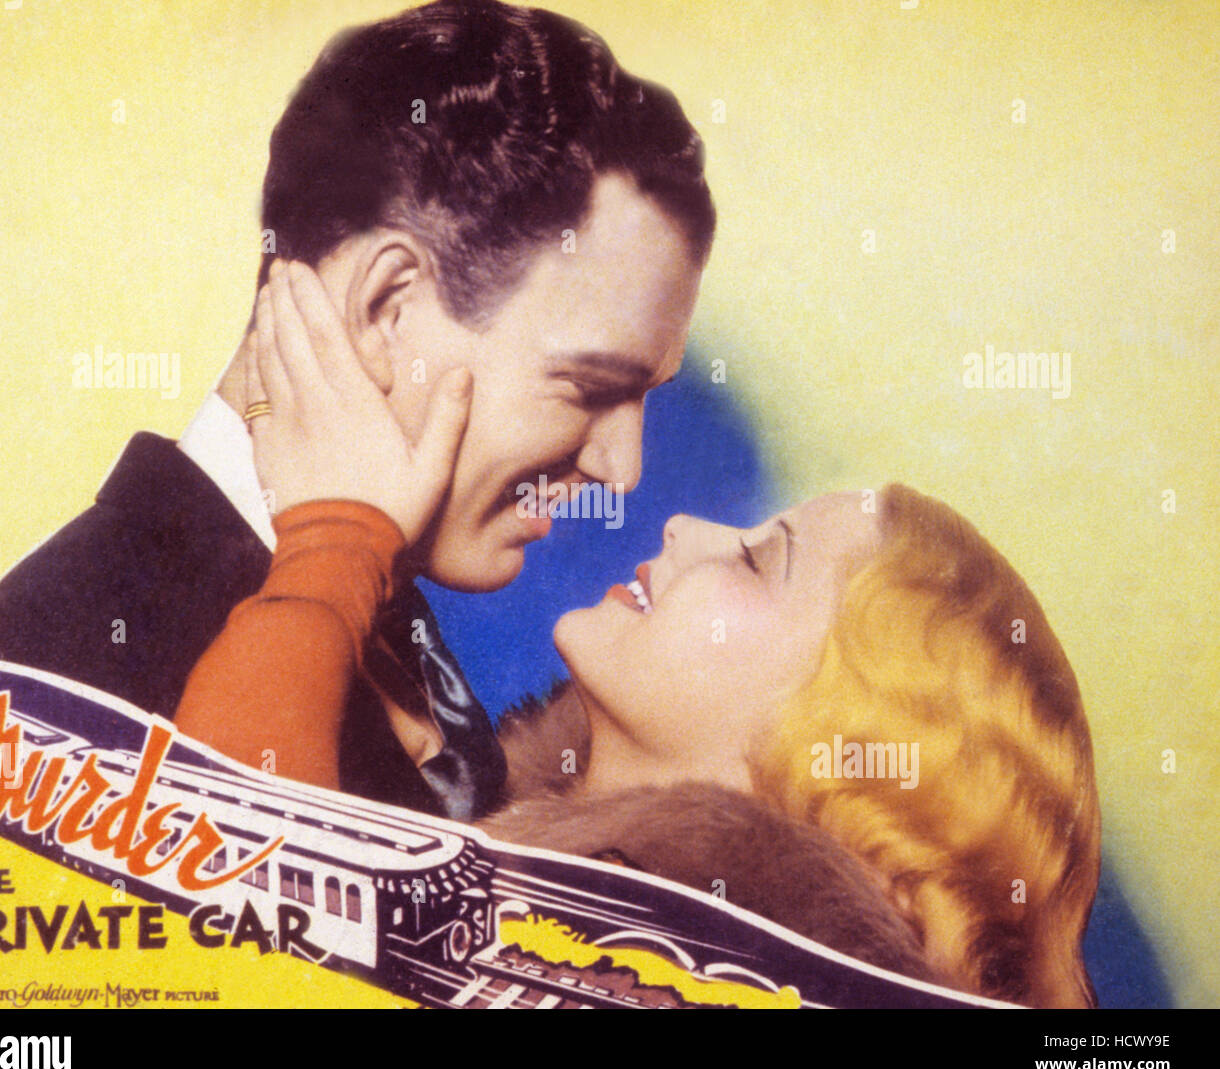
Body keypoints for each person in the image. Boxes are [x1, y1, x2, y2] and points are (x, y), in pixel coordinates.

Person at [172, 262, 1102, 1008]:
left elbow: (208, 905)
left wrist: (333, 541)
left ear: (847, 777)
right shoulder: (506, 834)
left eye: (754, 561)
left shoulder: (651, 979)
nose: (683, 528)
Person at [0, 0, 714, 821]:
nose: (623, 468)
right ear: (387, 308)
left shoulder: (392, 631)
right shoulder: (76, 657)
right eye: (592, 388)